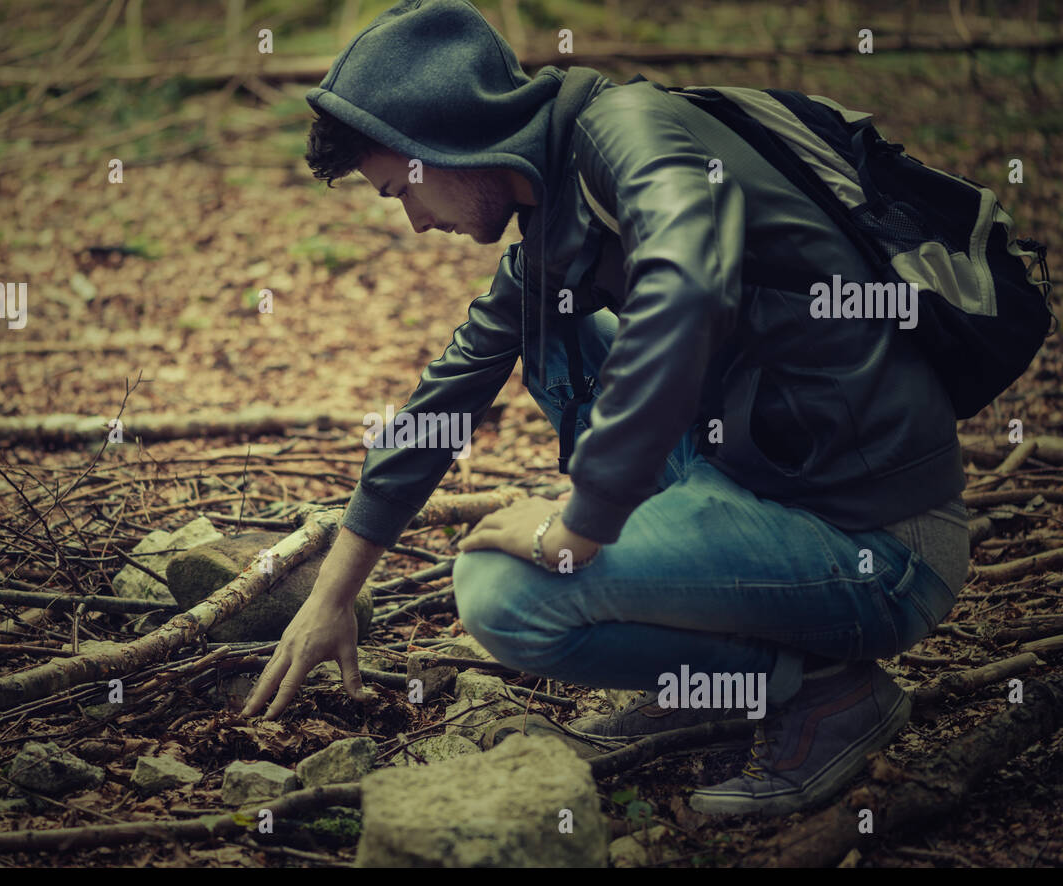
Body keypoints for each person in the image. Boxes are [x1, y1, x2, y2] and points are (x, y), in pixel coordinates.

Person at [242, 0, 971, 816]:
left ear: (442, 136)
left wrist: (575, 529)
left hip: (883, 541)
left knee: (500, 590)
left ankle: (823, 691)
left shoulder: (633, 133)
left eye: (400, 189)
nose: (414, 221)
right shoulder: (552, 220)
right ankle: (721, 673)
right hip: (766, 479)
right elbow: (444, 396)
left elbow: (684, 287)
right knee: (557, 324)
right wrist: (331, 594)